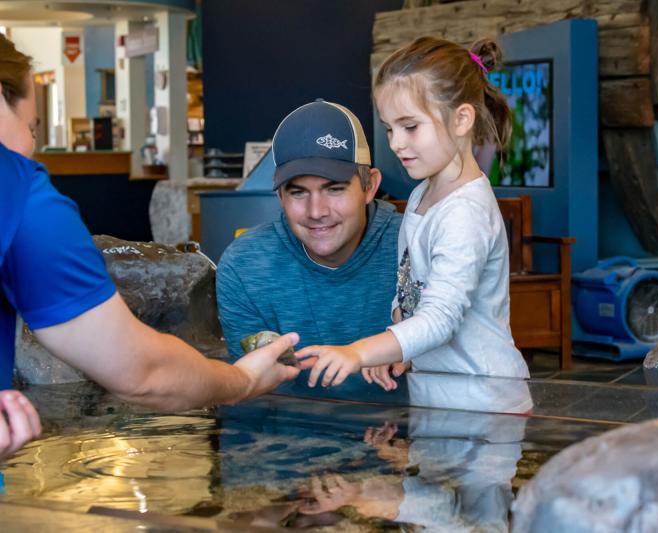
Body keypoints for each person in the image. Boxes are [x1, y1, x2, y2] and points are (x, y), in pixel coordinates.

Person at [0, 34, 299, 461]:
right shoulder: (20, 191)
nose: (32, 146)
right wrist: (242, 381)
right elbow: (142, 371)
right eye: (31, 127)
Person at [297, 37, 530, 389]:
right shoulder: (423, 193)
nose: (395, 143)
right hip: (442, 391)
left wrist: (359, 352)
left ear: (461, 119)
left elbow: (439, 319)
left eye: (410, 127)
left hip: (486, 395)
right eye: (390, 128)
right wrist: (396, 348)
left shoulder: (465, 213)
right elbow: (409, 287)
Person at [215, 99, 405, 400]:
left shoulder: (415, 246)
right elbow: (255, 401)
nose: (317, 211)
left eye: (334, 188)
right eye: (298, 192)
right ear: (279, 196)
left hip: (406, 441)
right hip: (291, 440)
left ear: (369, 187)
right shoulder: (244, 267)